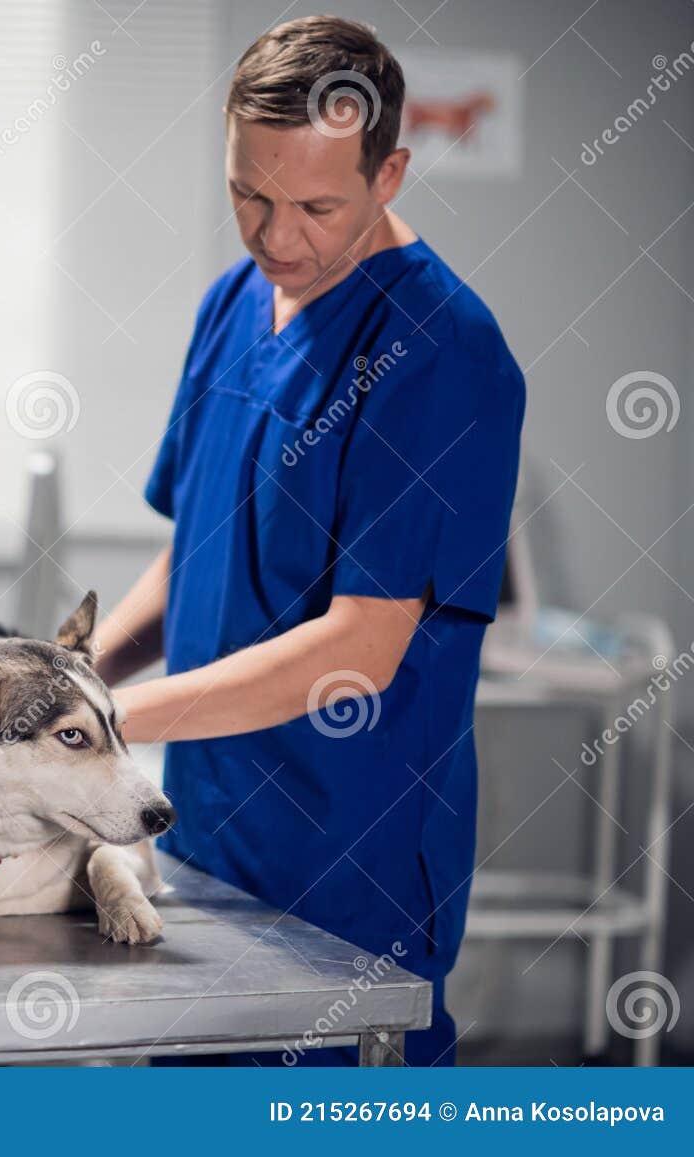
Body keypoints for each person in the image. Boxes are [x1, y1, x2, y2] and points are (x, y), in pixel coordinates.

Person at [91, 16, 524, 1066]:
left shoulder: (440, 355)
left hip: (346, 863)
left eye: (317, 206)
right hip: (200, 833)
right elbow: (196, 550)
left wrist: (99, 725)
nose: (276, 238)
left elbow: (357, 649)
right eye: (249, 194)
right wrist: (55, 687)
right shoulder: (230, 303)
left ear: (390, 173)